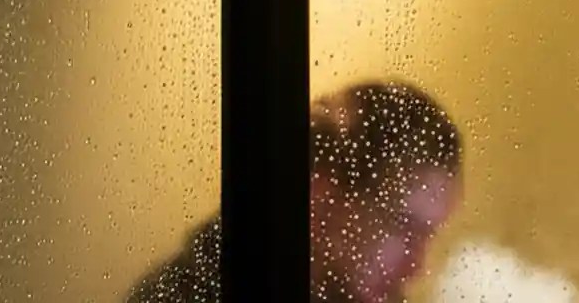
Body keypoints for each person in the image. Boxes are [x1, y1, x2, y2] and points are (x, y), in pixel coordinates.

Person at [127, 81, 464, 302]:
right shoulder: (183, 295)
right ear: (319, 195)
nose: (417, 267)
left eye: (429, 236)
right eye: (404, 227)